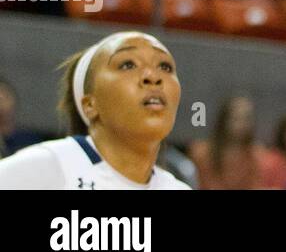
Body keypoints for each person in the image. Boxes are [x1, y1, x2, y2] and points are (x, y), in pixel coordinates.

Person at [0, 31, 189, 189]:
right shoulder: (48, 167)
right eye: (128, 65)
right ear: (90, 105)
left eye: (165, 67)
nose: (153, 76)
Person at [189, 95, 280, 190]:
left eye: (246, 118)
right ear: (224, 120)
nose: (241, 124)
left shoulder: (257, 154)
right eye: (235, 118)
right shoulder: (201, 152)